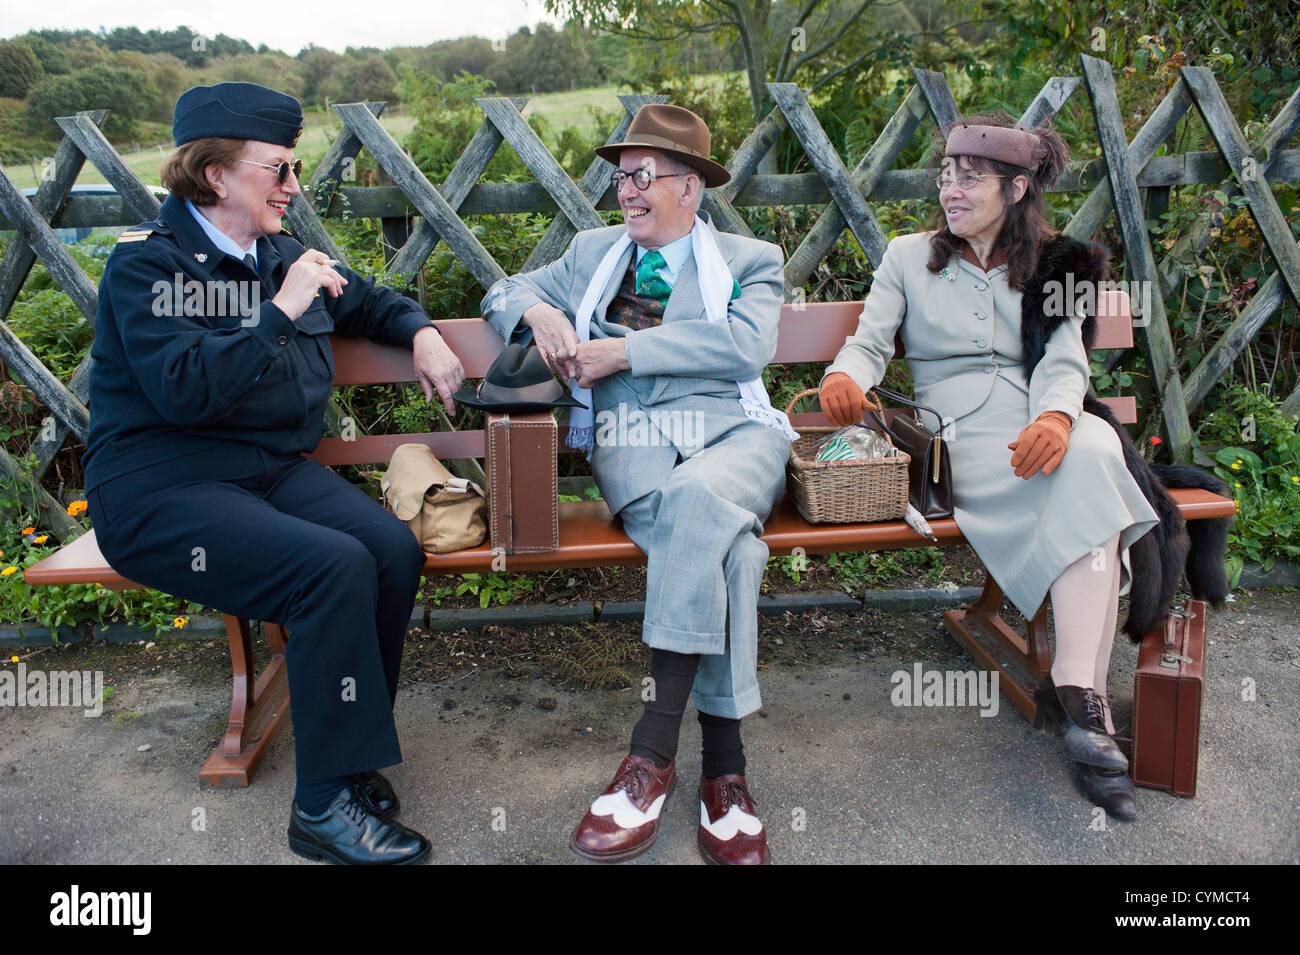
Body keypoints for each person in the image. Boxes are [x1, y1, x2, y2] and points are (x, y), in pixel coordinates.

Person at [82, 82, 465, 864]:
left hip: (263, 471)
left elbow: (367, 304)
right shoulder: (146, 269)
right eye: (280, 170)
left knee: (390, 549)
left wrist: (420, 331)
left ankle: (346, 758)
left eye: (297, 170)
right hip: (162, 487)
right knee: (329, 568)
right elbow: (185, 388)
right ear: (216, 175)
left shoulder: (282, 253)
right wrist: (278, 310)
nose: (296, 187)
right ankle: (320, 810)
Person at [819, 113, 1164, 820]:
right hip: (957, 439)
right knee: (1096, 487)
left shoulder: (1053, 261)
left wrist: (1057, 414)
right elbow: (869, 342)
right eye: (946, 173)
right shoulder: (908, 256)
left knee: (1094, 448)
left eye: (968, 177)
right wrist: (842, 376)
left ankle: (1077, 693)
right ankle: (1088, 713)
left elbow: (1064, 362)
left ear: (1014, 187)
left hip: (1037, 426)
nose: (950, 188)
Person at [481, 104, 798, 864]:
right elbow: (500, 290)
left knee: (699, 509)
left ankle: (647, 761)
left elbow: (747, 345)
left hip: (737, 437)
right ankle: (725, 771)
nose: (625, 191)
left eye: (643, 176)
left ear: (690, 188)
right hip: (634, 447)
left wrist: (622, 354)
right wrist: (538, 312)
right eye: (621, 176)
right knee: (734, 553)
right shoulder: (592, 252)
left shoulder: (752, 258)